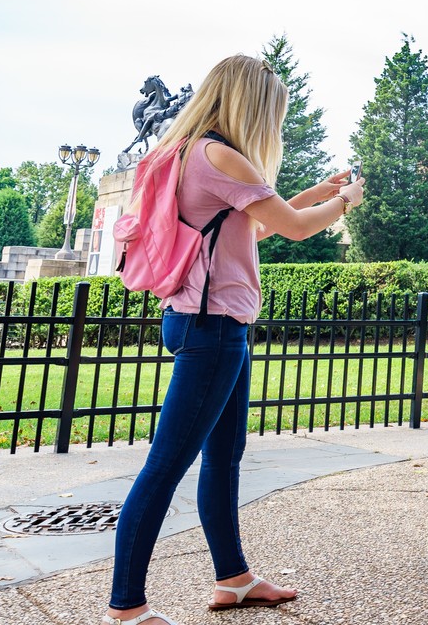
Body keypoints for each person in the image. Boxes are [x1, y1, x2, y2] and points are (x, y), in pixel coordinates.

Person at [104, 54, 366, 625]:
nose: (275, 122)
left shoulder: (188, 152)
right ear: (252, 104)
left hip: (208, 323)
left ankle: (234, 579)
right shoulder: (222, 155)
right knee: (166, 465)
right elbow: (295, 231)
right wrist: (346, 202)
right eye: (274, 110)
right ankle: (126, 608)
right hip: (214, 328)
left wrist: (311, 192)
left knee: (223, 459)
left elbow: (259, 223)